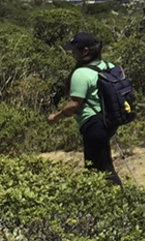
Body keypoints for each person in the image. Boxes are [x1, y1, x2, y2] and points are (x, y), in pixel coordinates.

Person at [46, 31, 121, 185]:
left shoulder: (81, 73)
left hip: (94, 124)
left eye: (74, 51)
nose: (72, 54)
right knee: (101, 162)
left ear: (85, 51)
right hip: (110, 120)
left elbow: (74, 105)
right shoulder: (109, 66)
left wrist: (56, 117)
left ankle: (117, 200)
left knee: (99, 167)